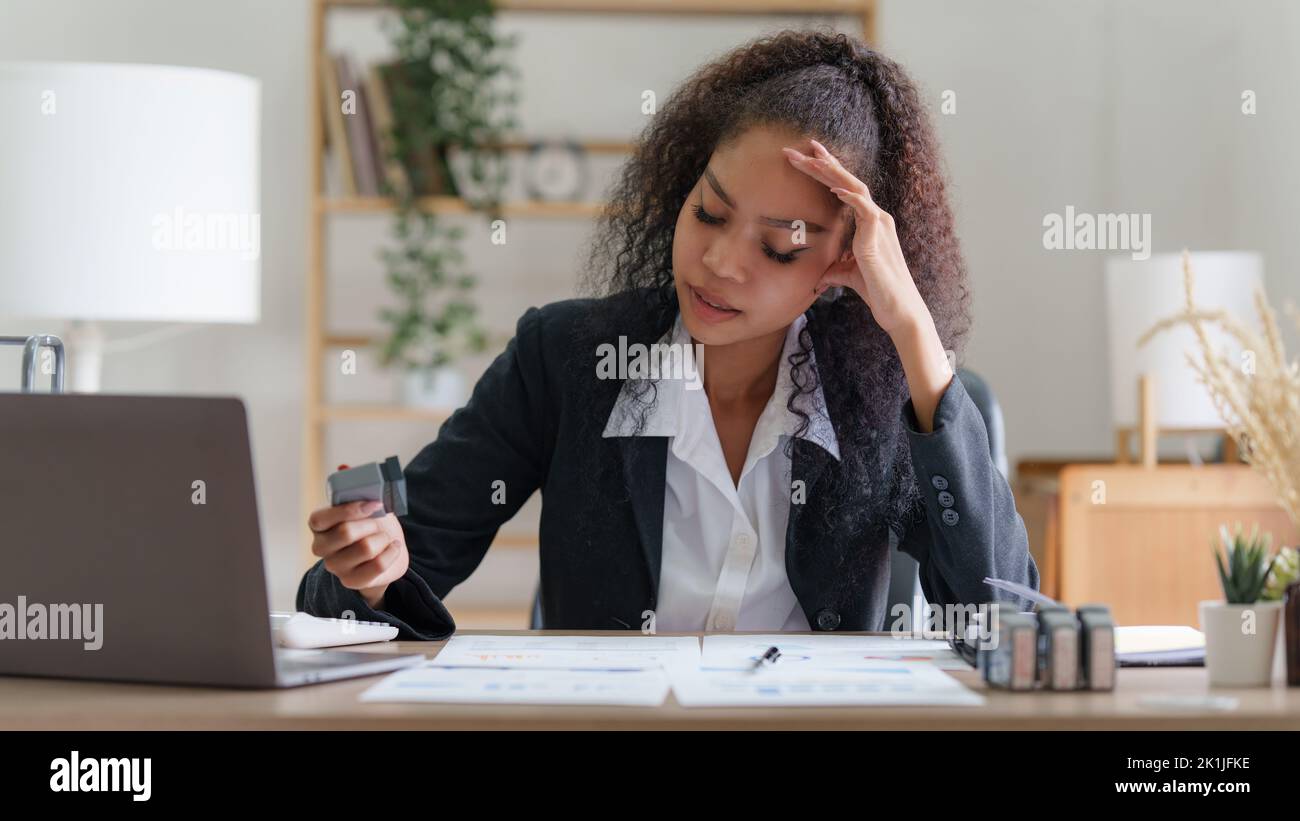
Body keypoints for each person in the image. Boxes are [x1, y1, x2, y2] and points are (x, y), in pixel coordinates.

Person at [299, 29, 1039, 639]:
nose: (718, 263)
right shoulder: (564, 359)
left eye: (778, 248)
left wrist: (910, 329)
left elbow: (1004, 612)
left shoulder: (875, 396)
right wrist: (371, 569)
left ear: (844, 263)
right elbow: (348, 595)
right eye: (710, 213)